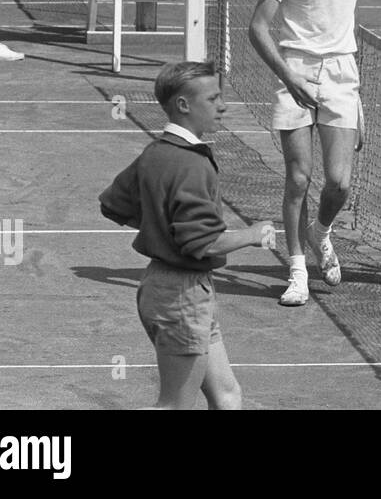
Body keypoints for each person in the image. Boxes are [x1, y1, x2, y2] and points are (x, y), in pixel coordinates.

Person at [99, 60, 275, 409]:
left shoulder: (155, 153)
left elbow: (113, 204)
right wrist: (253, 234)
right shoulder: (192, 164)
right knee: (175, 405)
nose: (223, 106)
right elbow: (203, 242)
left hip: (165, 291)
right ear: (183, 105)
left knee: (227, 395)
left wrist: (160, 228)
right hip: (182, 298)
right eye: (213, 99)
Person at [249, 0, 369, 307]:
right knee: (299, 178)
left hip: (341, 74)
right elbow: (258, 28)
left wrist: (356, 96)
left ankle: (321, 232)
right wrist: (290, 77)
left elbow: (347, 20)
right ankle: (297, 270)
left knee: (338, 183)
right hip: (294, 72)